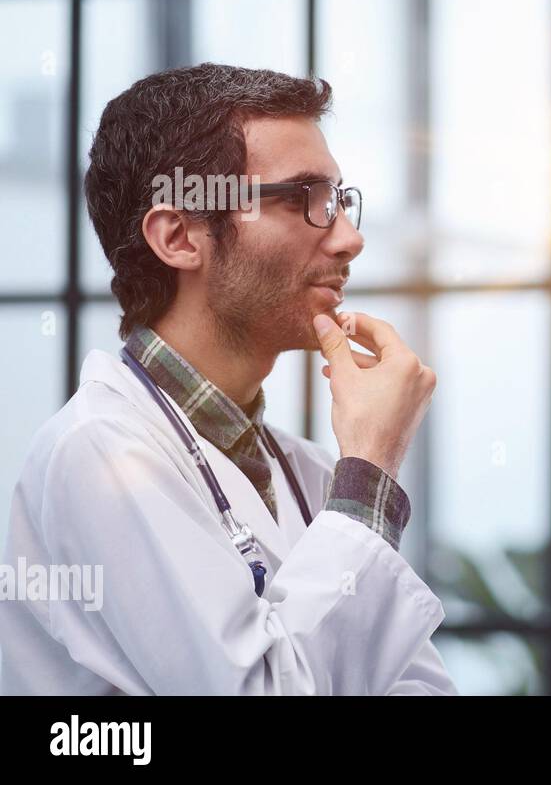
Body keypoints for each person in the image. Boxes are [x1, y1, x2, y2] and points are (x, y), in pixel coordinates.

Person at [0, 64, 456, 695]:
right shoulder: (99, 453)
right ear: (181, 236)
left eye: (340, 200)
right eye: (305, 200)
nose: (349, 239)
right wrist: (372, 468)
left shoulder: (313, 471)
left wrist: (359, 478)